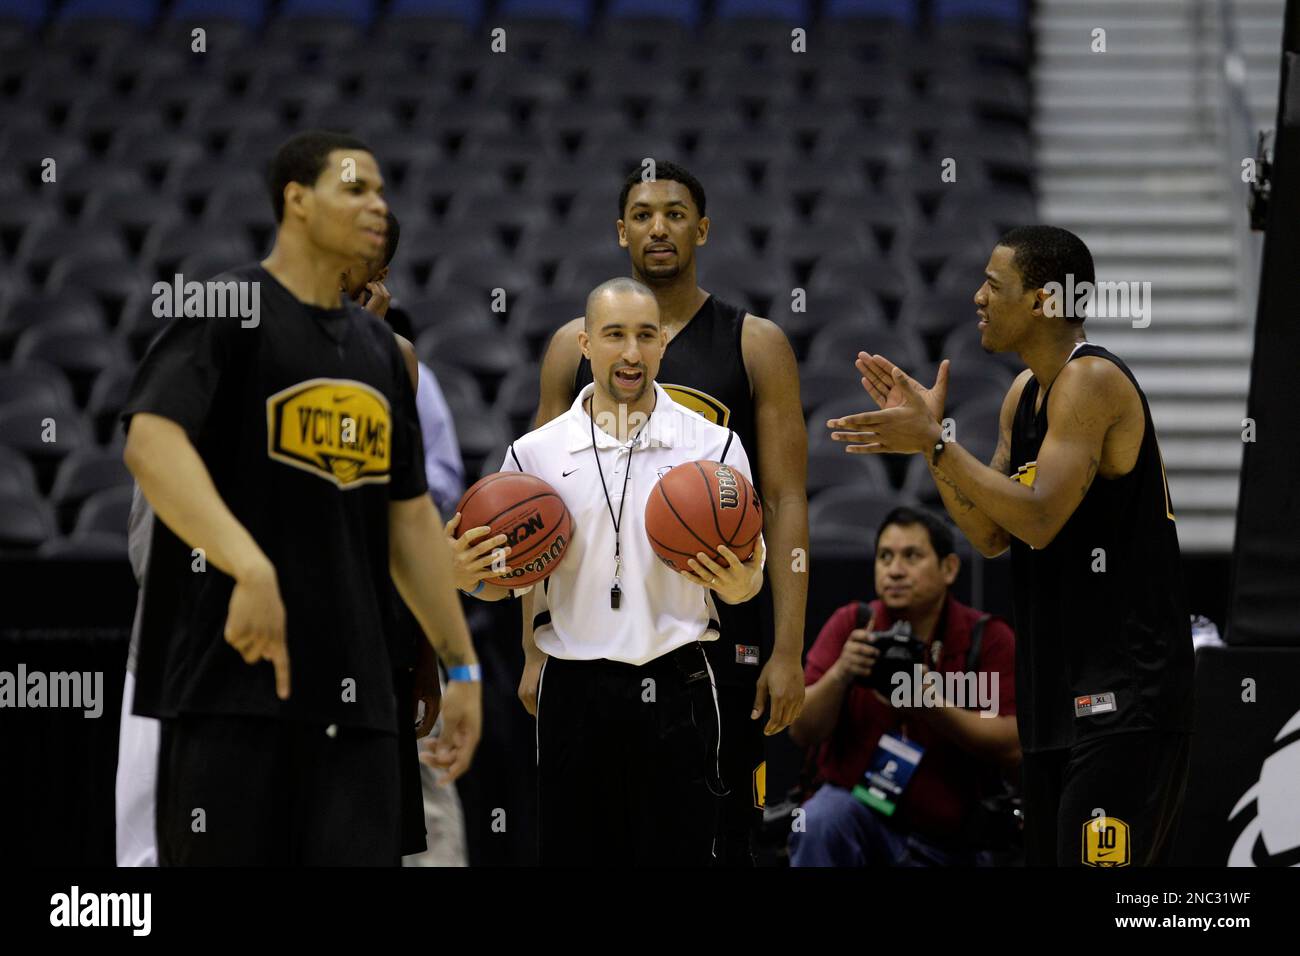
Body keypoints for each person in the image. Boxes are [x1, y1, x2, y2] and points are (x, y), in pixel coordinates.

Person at [121, 130, 481, 865]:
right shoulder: (228, 309)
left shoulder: (383, 353)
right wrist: (248, 567)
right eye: (355, 188)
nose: (376, 203)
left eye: (381, 190)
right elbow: (151, 444)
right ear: (296, 202)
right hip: (229, 685)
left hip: (357, 699)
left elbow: (409, 519)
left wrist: (462, 662)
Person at [828, 225, 1194, 867]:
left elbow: (1040, 519)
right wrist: (930, 446)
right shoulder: (1023, 395)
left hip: (1124, 695)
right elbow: (991, 533)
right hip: (1053, 694)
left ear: (1045, 300)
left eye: (994, 286)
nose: (977, 297)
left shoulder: (1093, 381)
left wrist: (936, 443)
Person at [525, 161, 807, 864]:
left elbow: (784, 499)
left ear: (702, 229)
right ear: (621, 232)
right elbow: (536, 509)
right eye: (644, 214)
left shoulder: (755, 341)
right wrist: (532, 645)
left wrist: (788, 648)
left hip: (715, 634)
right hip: (594, 644)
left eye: (676, 213)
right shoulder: (571, 345)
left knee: (717, 835)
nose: (660, 227)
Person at [463, 277, 765, 865]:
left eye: (645, 336)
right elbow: (504, 581)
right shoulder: (534, 455)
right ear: (584, 343)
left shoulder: (716, 447)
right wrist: (466, 576)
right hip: (575, 687)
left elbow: (748, 577)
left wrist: (739, 585)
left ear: (662, 346)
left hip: (680, 681)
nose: (631, 351)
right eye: (614, 335)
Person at [788, 507, 1018, 866]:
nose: (895, 570)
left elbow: (1012, 744)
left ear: (949, 568)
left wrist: (929, 703)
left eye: (912, 556)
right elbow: (801, 729)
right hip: (860, 820)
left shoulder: (985, 638)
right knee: (819, 820)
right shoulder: (854, 624)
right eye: (885, 557)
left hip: (954, 838)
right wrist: (841, 673)